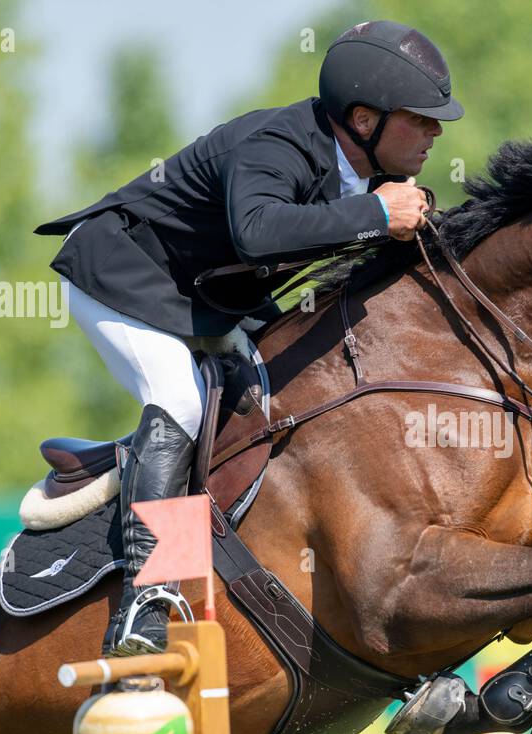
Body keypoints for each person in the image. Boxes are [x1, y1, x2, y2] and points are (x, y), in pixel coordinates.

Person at [34, 21, 463, 656]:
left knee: (286, 389)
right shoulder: (278, 146)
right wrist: (377, 216)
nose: (436, 133)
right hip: (119, 274)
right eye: (421, 120)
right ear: (365, 118)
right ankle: (146, 598)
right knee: (178, 400)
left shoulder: (369, 177)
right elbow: (258, 233)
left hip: (204, 299)